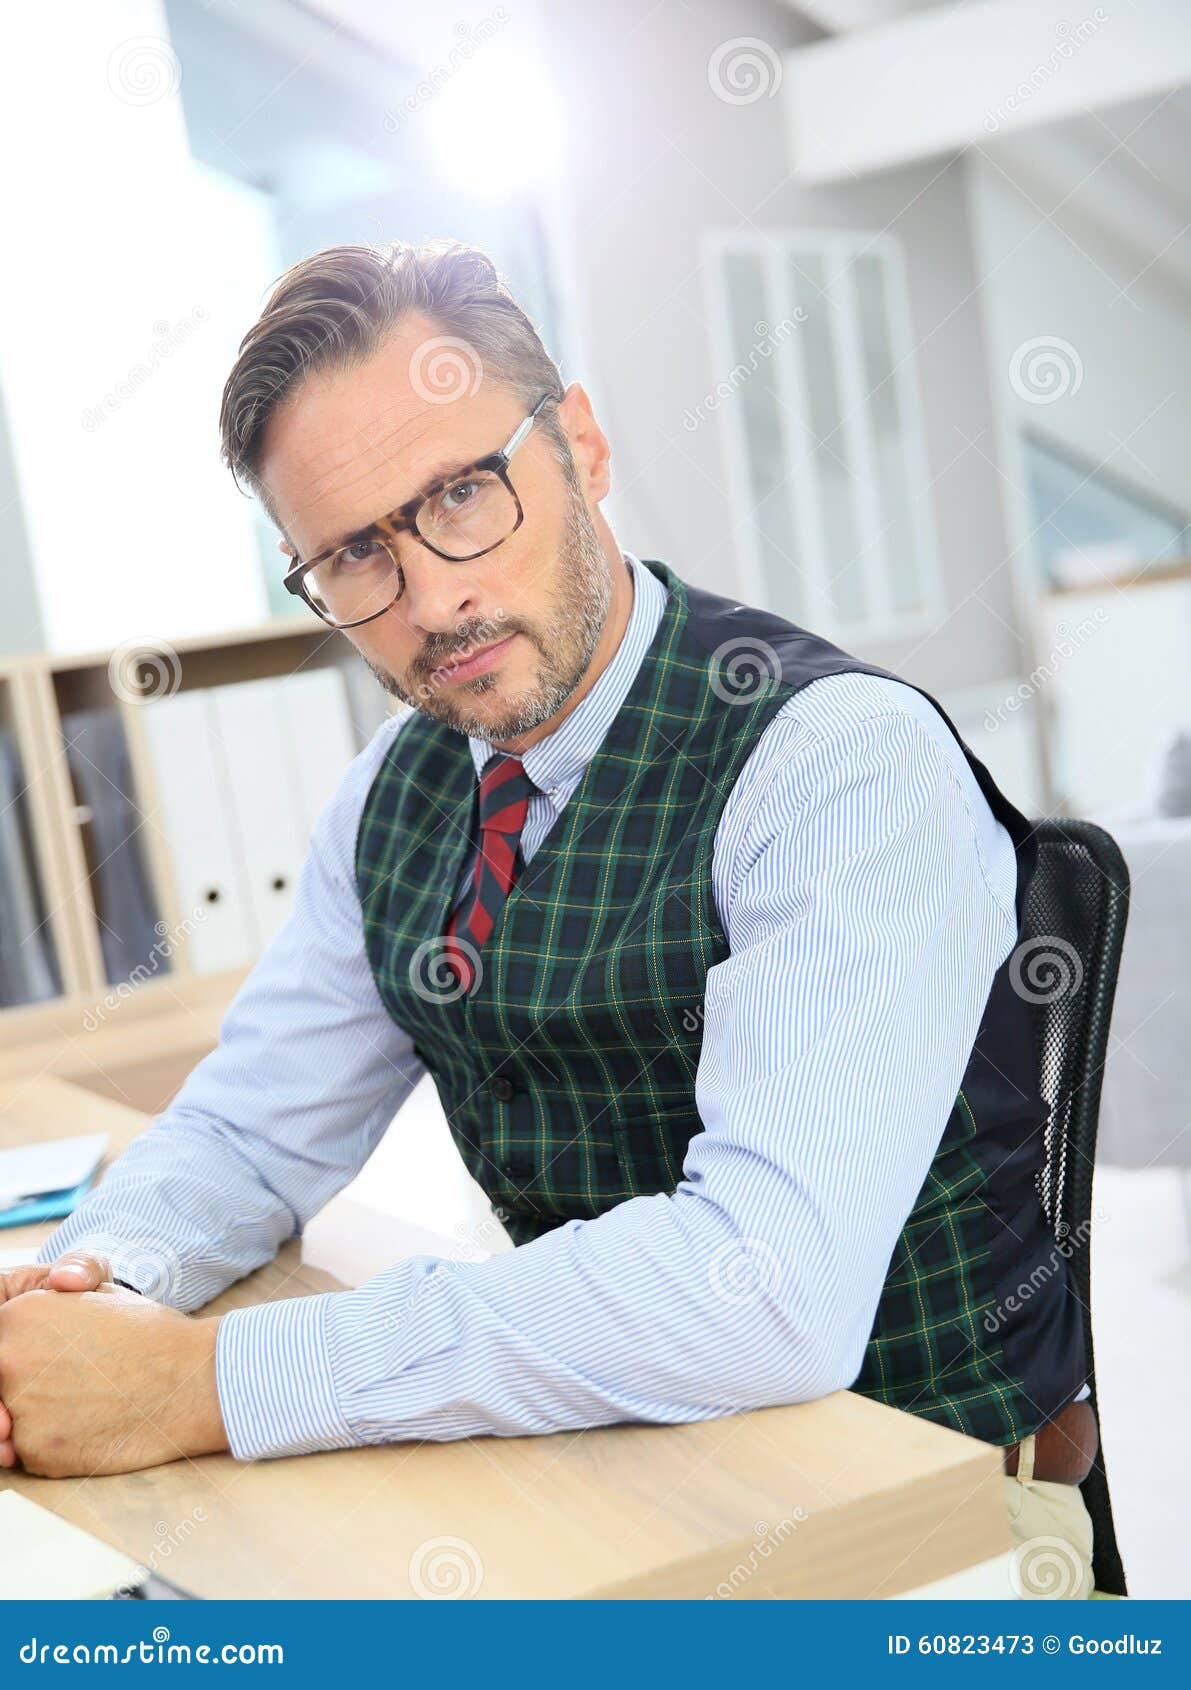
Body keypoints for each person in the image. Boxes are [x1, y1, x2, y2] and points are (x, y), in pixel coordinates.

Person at [0, 240, 1097, 1596]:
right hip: (627, 1472)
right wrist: (86, 1299)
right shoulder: (390, 801)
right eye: (353, 555)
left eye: (462, 493)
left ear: (576, 439)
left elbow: (767, 1289)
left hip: (933, 1524)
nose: (434, 598)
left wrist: (212, 1383)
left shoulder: (837, 762)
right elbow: (248, 1129)